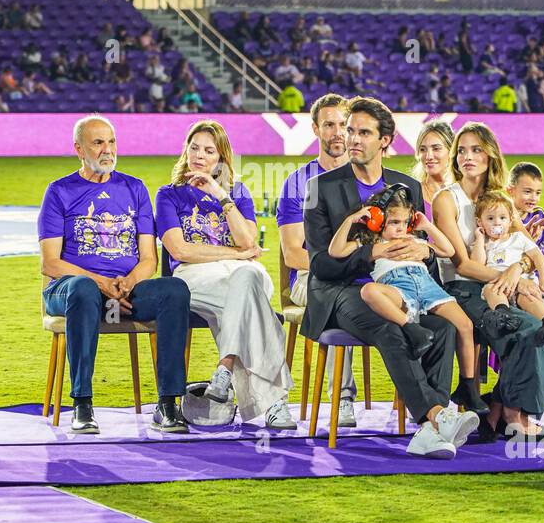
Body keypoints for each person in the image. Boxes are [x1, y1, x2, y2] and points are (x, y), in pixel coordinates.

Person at [301, 97, 474, 458]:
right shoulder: (321, 187)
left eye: (364, 132)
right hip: (344, 291)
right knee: (389, 327)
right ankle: (437, 418)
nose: (353, 139)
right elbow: (320, 264)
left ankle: (430, 428)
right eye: (350, 130)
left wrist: (425, 252)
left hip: (403, 286)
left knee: (442, 328)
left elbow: (420, 247)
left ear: (384, 140)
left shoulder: (406, 186)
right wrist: (371, 253)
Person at [39, 116, 191, 433]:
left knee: (174, 290)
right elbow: (51, 263)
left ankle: (167, 404)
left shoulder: (134, 189)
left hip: (126, 289)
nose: (107, 150)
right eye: (98, 143)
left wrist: (127, 284)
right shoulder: (59, 192)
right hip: (71, 292)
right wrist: (101, 285)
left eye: (111, 142)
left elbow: (149, 257)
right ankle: (82, 404)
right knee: (82, 290)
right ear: (78, 149)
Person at [433, 123, 544, 441]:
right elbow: (463, 264)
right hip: (465, 288)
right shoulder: (447, 199)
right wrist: (509, 275)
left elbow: (528, 249)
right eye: (462, 151)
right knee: (526, 331)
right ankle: (516, 417)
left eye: (476, 150)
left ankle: (500, 407)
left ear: (490, 155)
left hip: (509, 285)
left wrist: (518, 270)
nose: (467, 156)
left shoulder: (500, 200)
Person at [156, 122, 296, 429]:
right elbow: (180, 251)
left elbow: (249, 241)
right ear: (185, 150)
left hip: (240, 273)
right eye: (194, 148)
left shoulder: (237, 193)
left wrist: (220, 192)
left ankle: (225, 368)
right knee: (256, 310)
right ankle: (276, 404)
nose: (199, 156)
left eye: (209, 151)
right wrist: (236, 254)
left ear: (221, 158)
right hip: (194, 277)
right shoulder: (169, 195)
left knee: (247, 279)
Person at [328, 185, 480, 405]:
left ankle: (468, 386)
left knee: (465, 325)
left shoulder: (415, 240)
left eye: (404, 222)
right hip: (398, 288)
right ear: (378, 221)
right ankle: (411, 328)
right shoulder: (372, 243)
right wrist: (350, 220)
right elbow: (336, 251)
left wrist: (426, 226)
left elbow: (448, 251)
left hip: (427, 287)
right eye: (394, 222)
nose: (401, 228)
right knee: (369, 291)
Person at [277, 94, 357, 421]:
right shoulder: (297, 183)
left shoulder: (365, 179)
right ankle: (342, 396)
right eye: (329, 125)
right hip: (308, 280)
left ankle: (420, 401)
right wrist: (343, 265)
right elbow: (294, 254)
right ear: (315, 129)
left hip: (359, 273)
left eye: (343, 125)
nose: (337, 132)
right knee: (341, 292)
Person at [472, 191, 544, 334]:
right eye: (490, 218)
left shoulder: (518, 238)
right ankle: (503, 315)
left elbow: (538, 256)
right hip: (498, 283)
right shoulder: (484, 243)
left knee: (530, 299)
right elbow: (476, 264)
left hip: (523, 283)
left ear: (510, 221)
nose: (497, 222)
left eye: (502, 218)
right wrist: (478, 239)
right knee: (491, 290)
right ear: (480, 222)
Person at [507, 161, 544, 286]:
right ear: (510, 191)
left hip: (542, 279)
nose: (534, 198)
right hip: (519, 279)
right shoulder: (504, 220)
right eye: (527, 192)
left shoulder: (539, 215)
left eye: (538, 192)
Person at [411, 119, 453, 219]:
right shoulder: (411, 194)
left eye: (436, 148)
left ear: (451, 150)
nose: (428, 156)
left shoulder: (465, 192)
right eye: (423, 150)